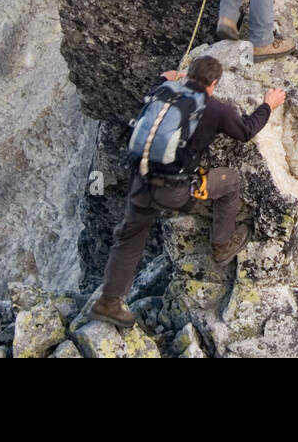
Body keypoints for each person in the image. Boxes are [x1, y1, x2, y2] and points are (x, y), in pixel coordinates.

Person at [90, 55, 287, 328]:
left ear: (187, 75)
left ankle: (108, 302)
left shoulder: (162, 92)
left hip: (142, 181)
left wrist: (166, 77)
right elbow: (245, 131)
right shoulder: (216, 109)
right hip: (175, 191)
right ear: (214, 83)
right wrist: (268, 105)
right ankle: (222, 244)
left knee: (129, 238)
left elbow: (156, 88)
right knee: (230, 181)